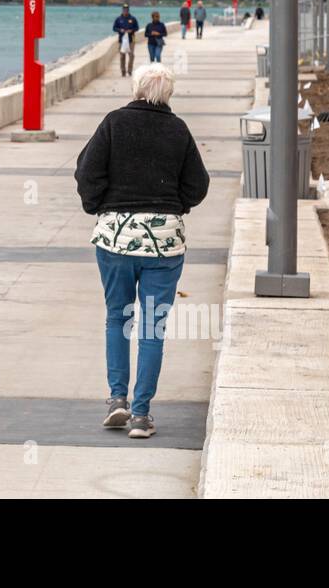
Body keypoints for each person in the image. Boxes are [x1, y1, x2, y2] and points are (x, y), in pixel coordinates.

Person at [73, 63, 210, 439]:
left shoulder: (114, 124)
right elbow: (198, 184)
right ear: (169, 95)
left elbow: (86, 173)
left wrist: (99, 206)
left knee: (117, 317)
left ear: (135, 89)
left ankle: (117, 398)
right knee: (152, 328)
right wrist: (175, 206)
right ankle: (141, 414)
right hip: (163, 242)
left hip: (116, 239)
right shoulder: (178, 130)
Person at [112, 4, 140, 77]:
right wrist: (120, 30)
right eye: (124, 9)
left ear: (128, 10)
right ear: (122, 10)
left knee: (131, 56)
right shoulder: (118, 19)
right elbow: (114, 28)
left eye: (127, 9)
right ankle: (123, 71)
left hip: (131, 40)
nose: (125, 10)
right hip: (122, 40)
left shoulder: (133, 18)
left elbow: (137, 28)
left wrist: (131, 30)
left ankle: (130, 70)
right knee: (122, 56)